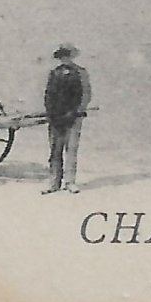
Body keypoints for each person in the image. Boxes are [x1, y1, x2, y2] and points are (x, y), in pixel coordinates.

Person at [41, 44, 91, 194]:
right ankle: (54, 182)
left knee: (71, 149)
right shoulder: (54, 73)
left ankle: (70, 182)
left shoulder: (80, 73)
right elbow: (48, 95)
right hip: (56, 117)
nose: (65, 59)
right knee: (55, 150)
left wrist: (77, 112)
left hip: (73, 117)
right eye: (62, 56)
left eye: (67, 55)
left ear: (72, 57)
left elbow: (86, 94)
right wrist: (51, 113)